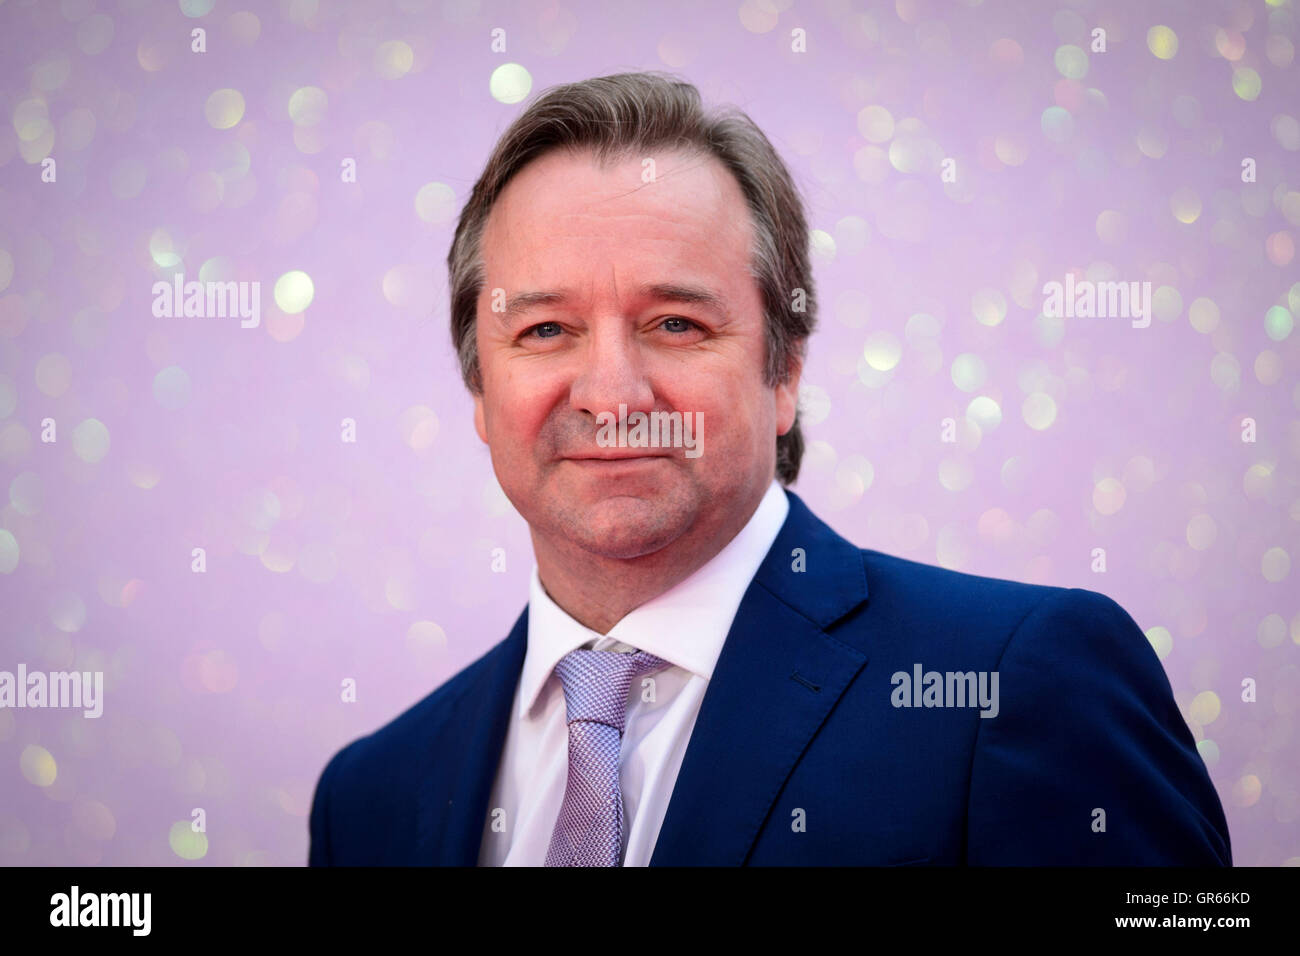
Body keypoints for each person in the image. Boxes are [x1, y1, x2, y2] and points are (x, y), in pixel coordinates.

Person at [308, 72, 1231, 866]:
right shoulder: (372, 797)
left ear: (784, 372)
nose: (613, 392)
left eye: (677, 323)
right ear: (479, 386)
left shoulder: (1020, 681)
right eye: (546, 330)